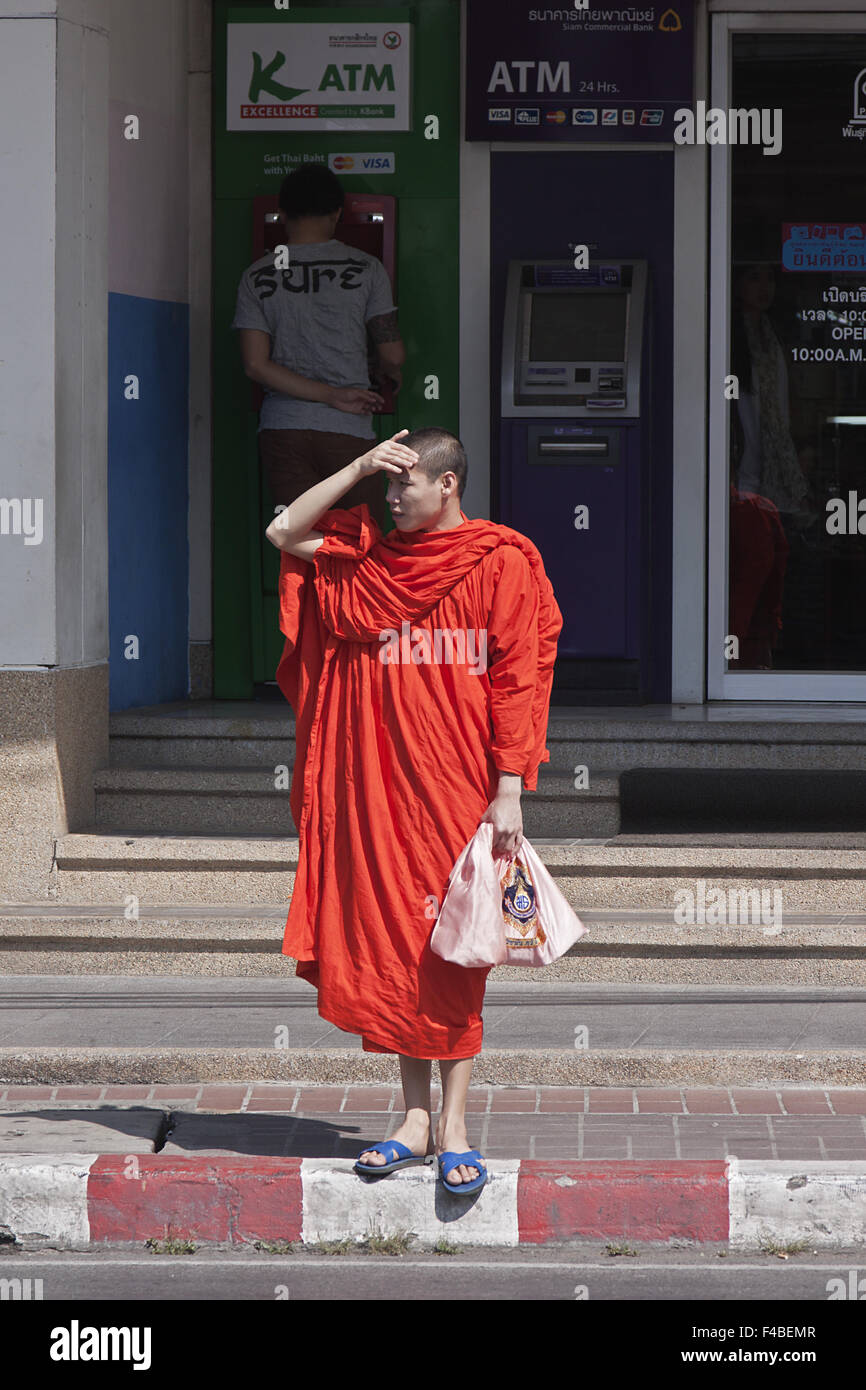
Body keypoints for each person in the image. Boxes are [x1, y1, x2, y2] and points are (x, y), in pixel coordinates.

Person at [265, 426, 562, 1192]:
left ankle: (456, 1127)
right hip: (377, 789)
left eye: (405, 486)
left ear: (449, 485)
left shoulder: (499, 561)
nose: (392, 499)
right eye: (386, 487)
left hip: (461, 786)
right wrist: (360, 464)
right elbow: (283, 529)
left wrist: (509, 787)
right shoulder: (368, 561)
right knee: (395, 947)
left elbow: (519, 676)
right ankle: (412, 1120)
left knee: (454, 952)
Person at [233, 164, 404, 530]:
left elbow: (255, 365)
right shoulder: (366, 268)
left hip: (284, 429)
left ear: (282, 212)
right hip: (349, 432)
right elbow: (392, 354)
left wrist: (328, 394)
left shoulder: (257, 275)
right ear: (337, 212)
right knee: (360, 542)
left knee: (299, 542)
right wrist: (386, 372)